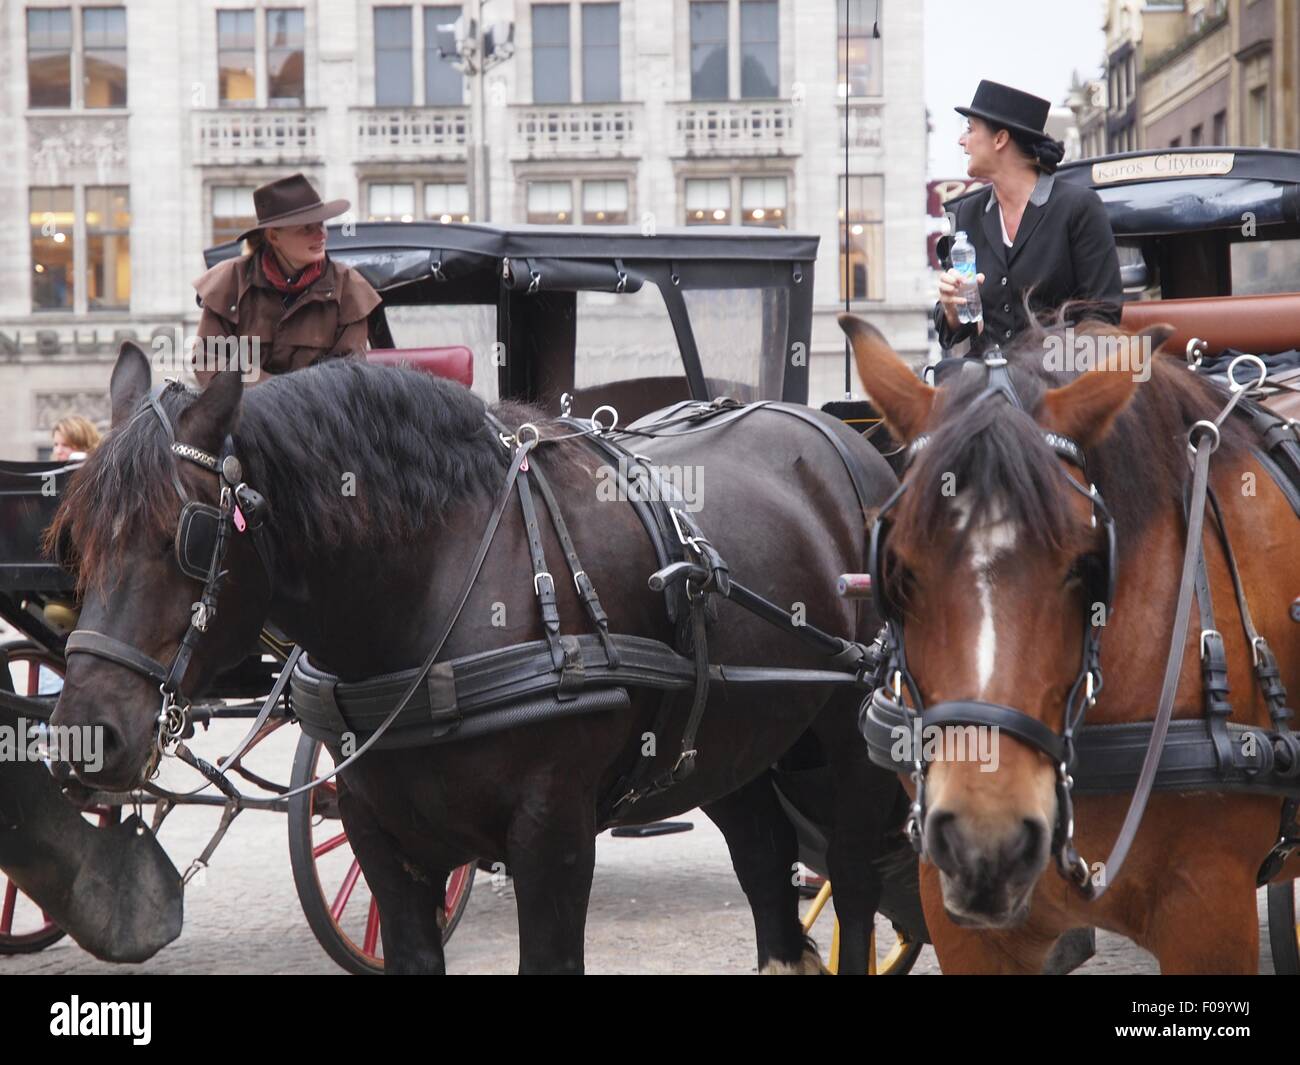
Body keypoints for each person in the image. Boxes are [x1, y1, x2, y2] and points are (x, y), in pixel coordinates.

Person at [935, 80, 1122, 356]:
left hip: (1060, 381)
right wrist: (951, 308)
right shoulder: (966, 215)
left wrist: (1044, 369)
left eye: (970, 129)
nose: (961, 141)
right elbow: (952, 329)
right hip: (988, 385)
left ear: (1000, 139)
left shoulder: (1078, 207)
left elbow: (1103, 319)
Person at [191, 173, 381, 386]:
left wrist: (290, 403)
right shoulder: (229, 281)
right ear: (273, 237)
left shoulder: (349, 288)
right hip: (245, 413)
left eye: (321, 225)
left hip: (316, 414)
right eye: (307, 228)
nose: (321, 235)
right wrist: (271, 398)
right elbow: (209, 360)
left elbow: (348, 373)